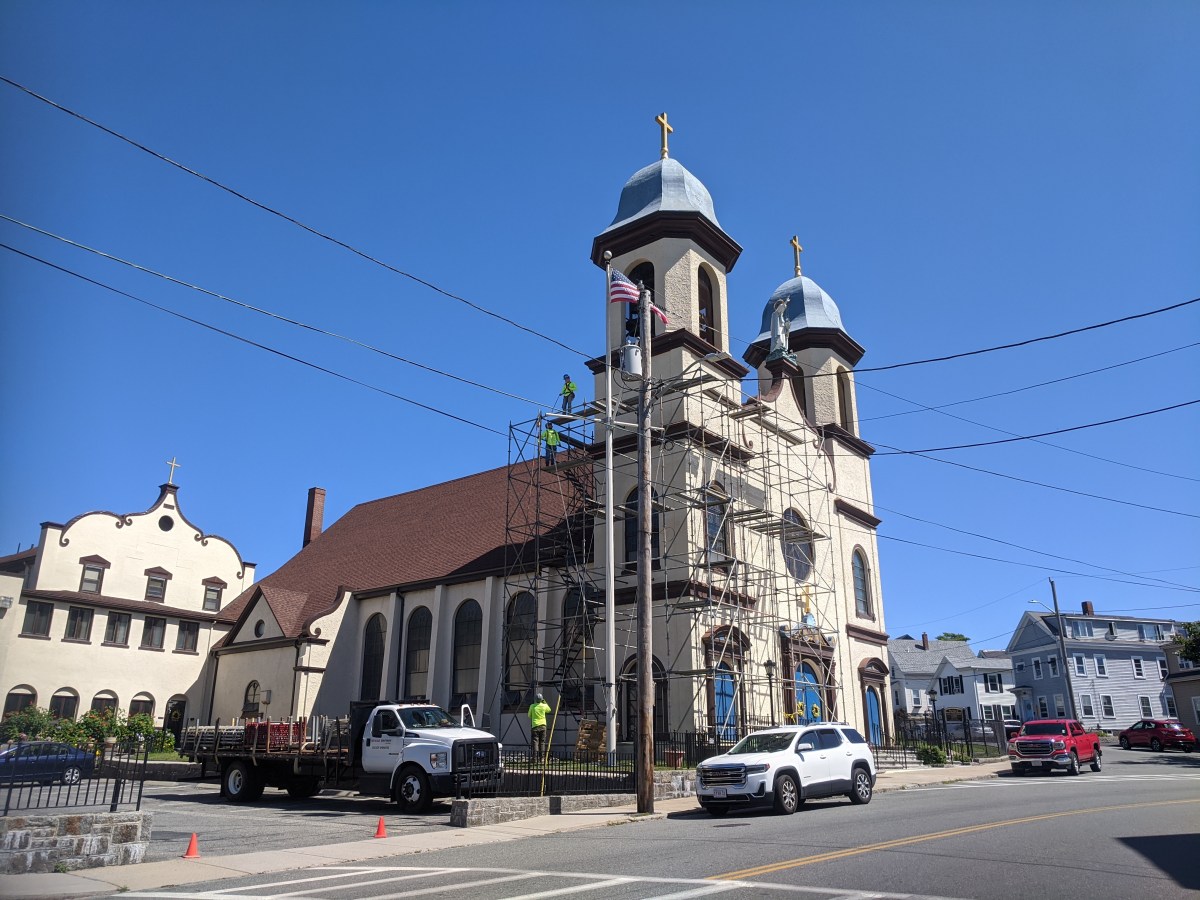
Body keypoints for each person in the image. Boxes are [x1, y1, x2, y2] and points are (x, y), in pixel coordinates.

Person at [528, 692, 551, 760]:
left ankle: (534, 758)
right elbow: (549, 710)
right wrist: (544, 702)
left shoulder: (532, 706)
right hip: (543, 725)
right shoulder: (544, 706)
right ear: (541, 699)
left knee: (535, 742)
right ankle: (542, 758)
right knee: (542, 742)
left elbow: (529, 715)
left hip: (535, 725)